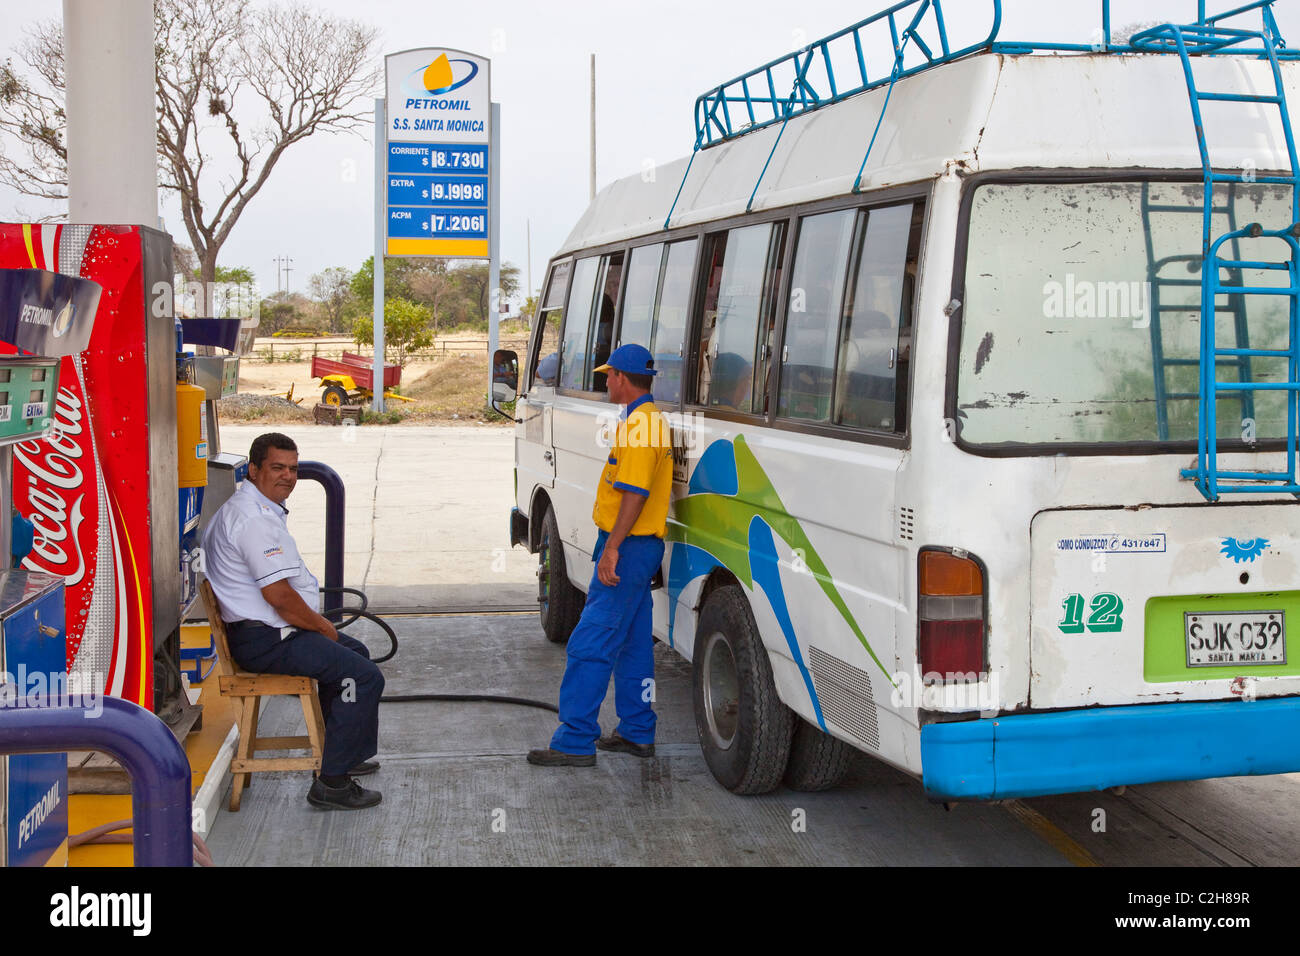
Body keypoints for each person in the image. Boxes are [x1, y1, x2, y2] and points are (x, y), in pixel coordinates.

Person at [202, 432, 386, 810]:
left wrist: (321, 630)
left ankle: (342, 754)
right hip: (268, 640)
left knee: (358, 654)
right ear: (253, 470)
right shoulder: (252, 520)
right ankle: (331, 784)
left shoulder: (256, 508)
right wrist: (322, 627)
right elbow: (280, 598)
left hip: (270, 633)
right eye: (277, 468)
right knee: (362, 676)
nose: (287, 476)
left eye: (292, 469)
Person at [528, 344, 673, 766]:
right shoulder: (641, 420)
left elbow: (635, 494)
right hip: (634, 547)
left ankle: (574, 739)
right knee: (632, 645)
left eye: (609, 376)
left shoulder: (643, 426)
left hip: (627, 547)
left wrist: (612, 549)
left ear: (623, 379)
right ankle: (636, 731)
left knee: (589, 643)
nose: (605, 381)